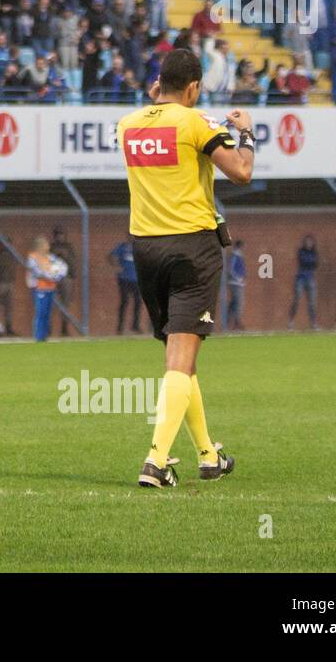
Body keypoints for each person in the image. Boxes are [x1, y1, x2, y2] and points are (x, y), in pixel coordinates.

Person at [116, 47, 255, 488]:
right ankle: (156, 461)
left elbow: (158, 114)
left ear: (160, 83)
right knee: (180, 359)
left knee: (181, 355)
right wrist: (247, 134)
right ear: (194, 87)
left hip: (145, 249)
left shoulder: (128, 124)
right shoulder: (197, 124)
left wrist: (158, 98)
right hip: (192, 249)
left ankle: (208, 455)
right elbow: (242, 173)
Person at [26, 237, 67, 342]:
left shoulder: (50, 257)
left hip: (50, 288)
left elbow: (62, 266)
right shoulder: (33, 258)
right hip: (39, 289)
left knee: (48, 313)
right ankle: (39, 336)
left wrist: (58, 275)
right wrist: (51, 276)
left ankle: (45, 335)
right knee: (41, 312)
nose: (47, 246)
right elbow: (37, 272)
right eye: (45, 244)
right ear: (40, 246)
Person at [287, 235, 319, 331]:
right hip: (300, 279)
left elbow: (315, 264)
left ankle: (313, 323)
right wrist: (310, 261)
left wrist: (311, 262)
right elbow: (304, 261)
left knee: (312, 303)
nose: (308, 244)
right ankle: (291, 322)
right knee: (296, 300)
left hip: (311, 278)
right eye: (307, 242)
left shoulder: (314, 252)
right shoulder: (301, 251)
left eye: (310, 242)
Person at [109, 239, 141, 333]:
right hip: (124, 278)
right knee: (124, 302)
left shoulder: (139, 247)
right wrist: (116, 266)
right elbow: (111, 256)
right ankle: (120, 327)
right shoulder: (122, 246)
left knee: (138, 302)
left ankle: (135, 326)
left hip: (137, 279)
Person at [225, 239, 246, 331]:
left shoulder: (238, 256)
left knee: (234, 303)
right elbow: (231, 269)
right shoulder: (235, 256)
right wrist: (238, 278)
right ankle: (236, 323)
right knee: (238, 303)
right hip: (235, 283)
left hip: (238, 283)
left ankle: (231, 322)